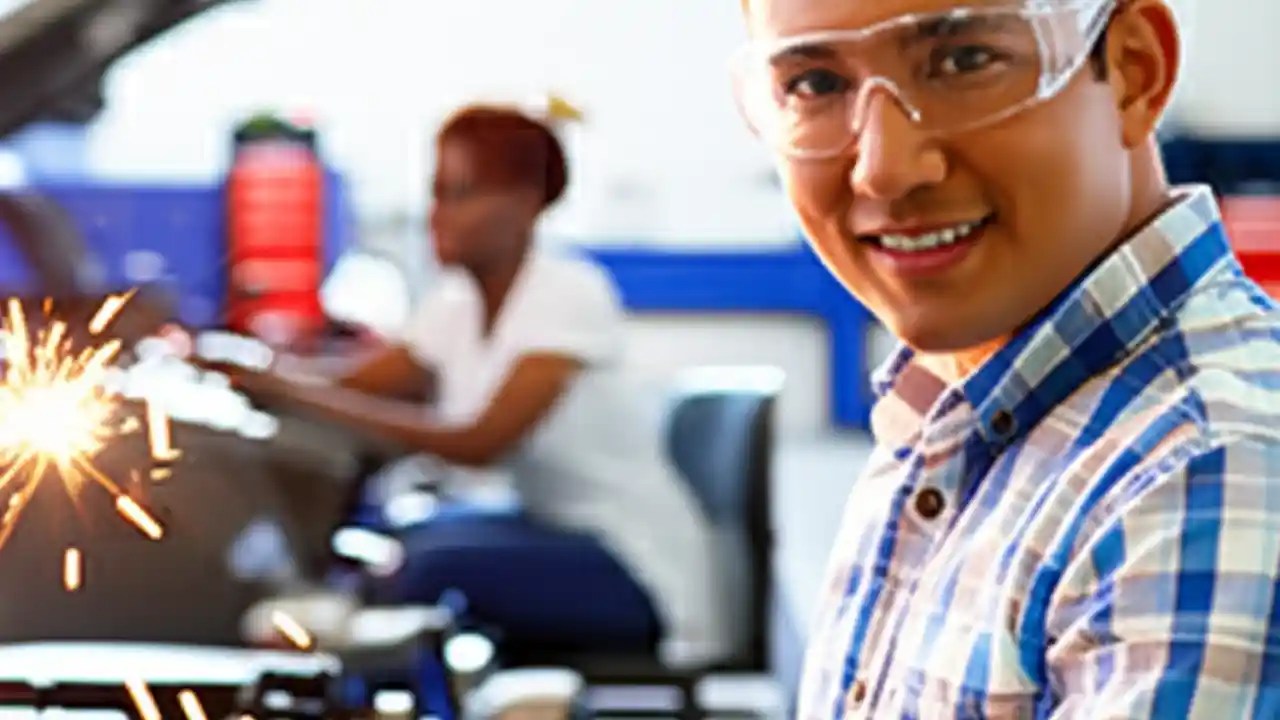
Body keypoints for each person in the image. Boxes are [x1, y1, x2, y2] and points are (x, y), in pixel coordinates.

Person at [733, 0, 1280, 717]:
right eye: (813, 84)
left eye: (964, 62)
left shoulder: (1207, 474)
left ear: (1133, 73)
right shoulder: (952, 410)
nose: (885, 168)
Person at [225, 103, 729, 665]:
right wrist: (251, 369)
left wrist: (286, 391)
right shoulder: (458, 302)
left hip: (627, 561)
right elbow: (362, 384)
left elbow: (481, 443)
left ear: (524, 204)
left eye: (459, 194)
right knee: (406, 538)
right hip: (547, 524)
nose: (437, 215)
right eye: (435, 194)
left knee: (429, 568)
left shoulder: (567, 294)